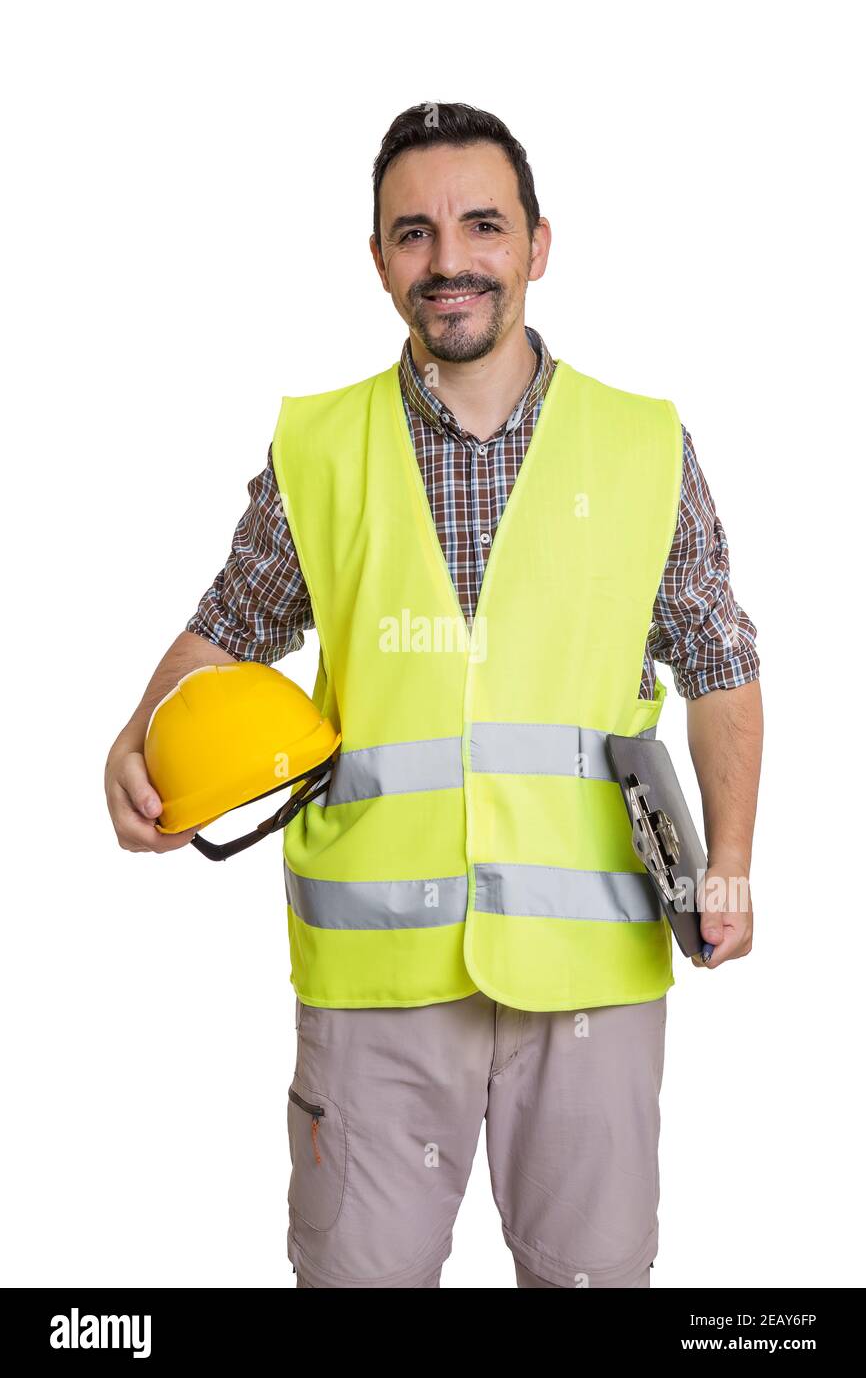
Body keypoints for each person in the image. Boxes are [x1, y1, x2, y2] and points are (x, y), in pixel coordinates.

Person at [105, 102, 763, 1289]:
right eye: (412, 232)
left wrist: (730, 862)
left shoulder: (642, 443)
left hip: (591, 978)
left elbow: (717, 663)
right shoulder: (320, 448)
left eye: (480, 226)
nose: (447, 259)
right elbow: (226, 629)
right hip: (377, 990)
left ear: (536, 246)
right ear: (377, 261)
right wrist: (131, 743)